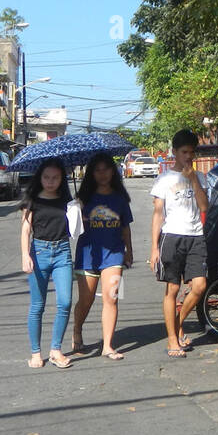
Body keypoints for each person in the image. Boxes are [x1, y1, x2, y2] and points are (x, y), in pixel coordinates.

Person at [149, 130, 209, 357]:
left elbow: (204, 207)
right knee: (172, 288)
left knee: (199, 286)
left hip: (195, 236)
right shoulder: (164, 179)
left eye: (192, 152)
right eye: (184, 152)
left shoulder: (200, 177)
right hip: (171, 237)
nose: (188, 157)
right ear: (174, 152)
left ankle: (176, 321)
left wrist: (193, 179)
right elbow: (157, 214)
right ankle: (173, 340)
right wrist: (154, 248)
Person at [19, 158, 82, 369]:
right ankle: (35, 352)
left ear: (61, 179)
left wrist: (77, 209)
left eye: (55, 178)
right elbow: (25, 229)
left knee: (65, 302)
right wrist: (25, 255)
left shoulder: (67, 199)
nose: (50, 181)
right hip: (39, 252)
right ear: (40, 177)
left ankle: (56, 350)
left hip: (63, 252)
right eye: (46, 177)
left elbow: (75, 230)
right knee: (38, 305)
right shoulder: (32, 200)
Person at [71, 153, 134, 359]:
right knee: (86, 300)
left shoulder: (120, 198)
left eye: (106, 169)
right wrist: (75, 211)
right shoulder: (83, 199)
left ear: (113, 171)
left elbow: (125, 227)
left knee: (112, 298)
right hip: (87, 255)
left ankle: (108, 346)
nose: (103, 174)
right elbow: (73, 229)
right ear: (91, 173)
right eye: (97, 170)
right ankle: (77, 330)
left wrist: (129, 251)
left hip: (115, 255)